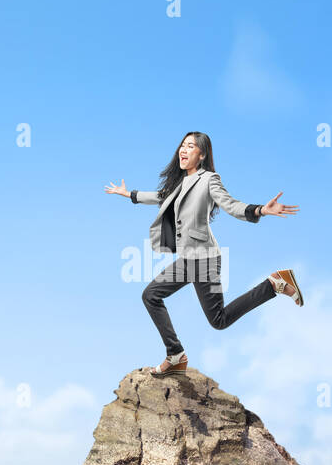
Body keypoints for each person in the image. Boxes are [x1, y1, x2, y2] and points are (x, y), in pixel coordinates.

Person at [105, 131, 302, 375]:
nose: (183, 150)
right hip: (188, 259)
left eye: (190, 146)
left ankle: (274, 284)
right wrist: (130, 195)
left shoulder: (209, 179)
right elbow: (160, 197)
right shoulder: (179, 183)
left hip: (205, 259)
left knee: (219, 320)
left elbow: (231, 205)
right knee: (151, 295)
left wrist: (260, 210)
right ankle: (175, 354)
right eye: (182, 145)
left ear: (202, 154)